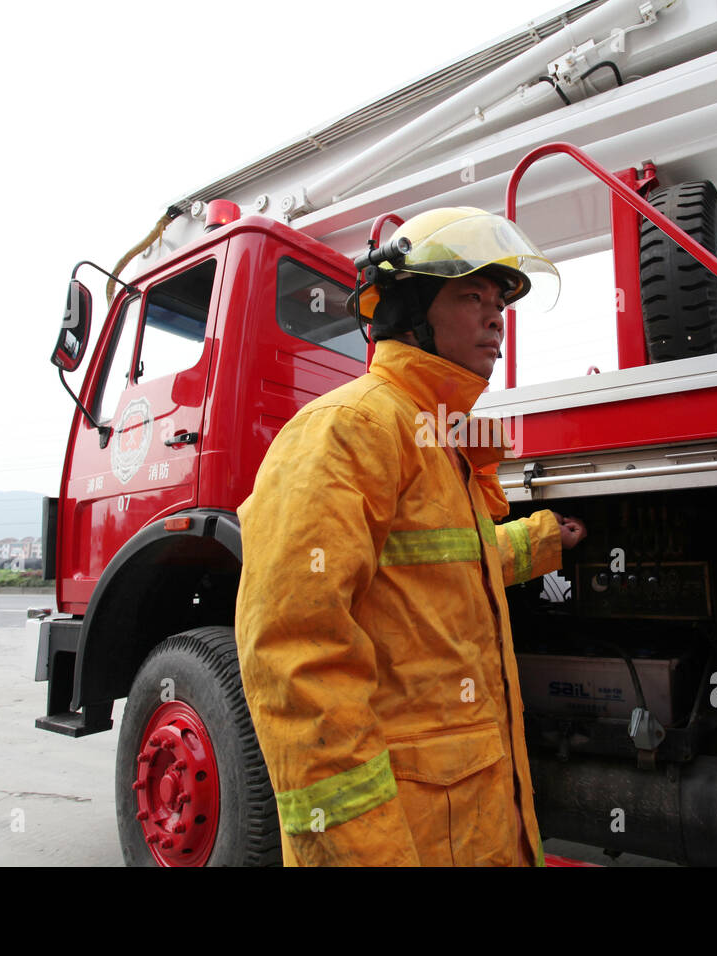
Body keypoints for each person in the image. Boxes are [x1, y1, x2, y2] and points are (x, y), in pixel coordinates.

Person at [234, 206, 586, 866]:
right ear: (412, 309)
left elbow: (442, 574)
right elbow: (296, 657)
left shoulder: (436, 438)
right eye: (471, 295)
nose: (495, 316)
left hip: (467, 823)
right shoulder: (349, 429)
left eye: (500, 302)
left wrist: (541, 541)